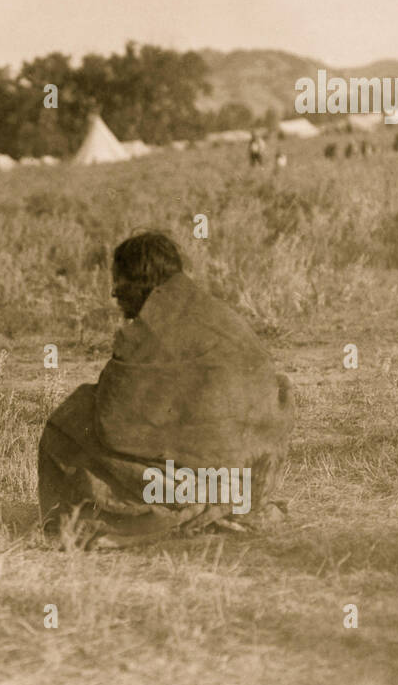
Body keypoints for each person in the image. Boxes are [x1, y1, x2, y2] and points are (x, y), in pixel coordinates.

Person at [37, 232, 293, 549]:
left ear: (143, 281)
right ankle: (215, 505)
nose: (114, 291)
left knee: (69, 422)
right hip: (251, 478)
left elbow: (112, 422)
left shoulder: (148, 332)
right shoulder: (218, 313)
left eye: (121, 280)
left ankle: (145, 514)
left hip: (204, 479)